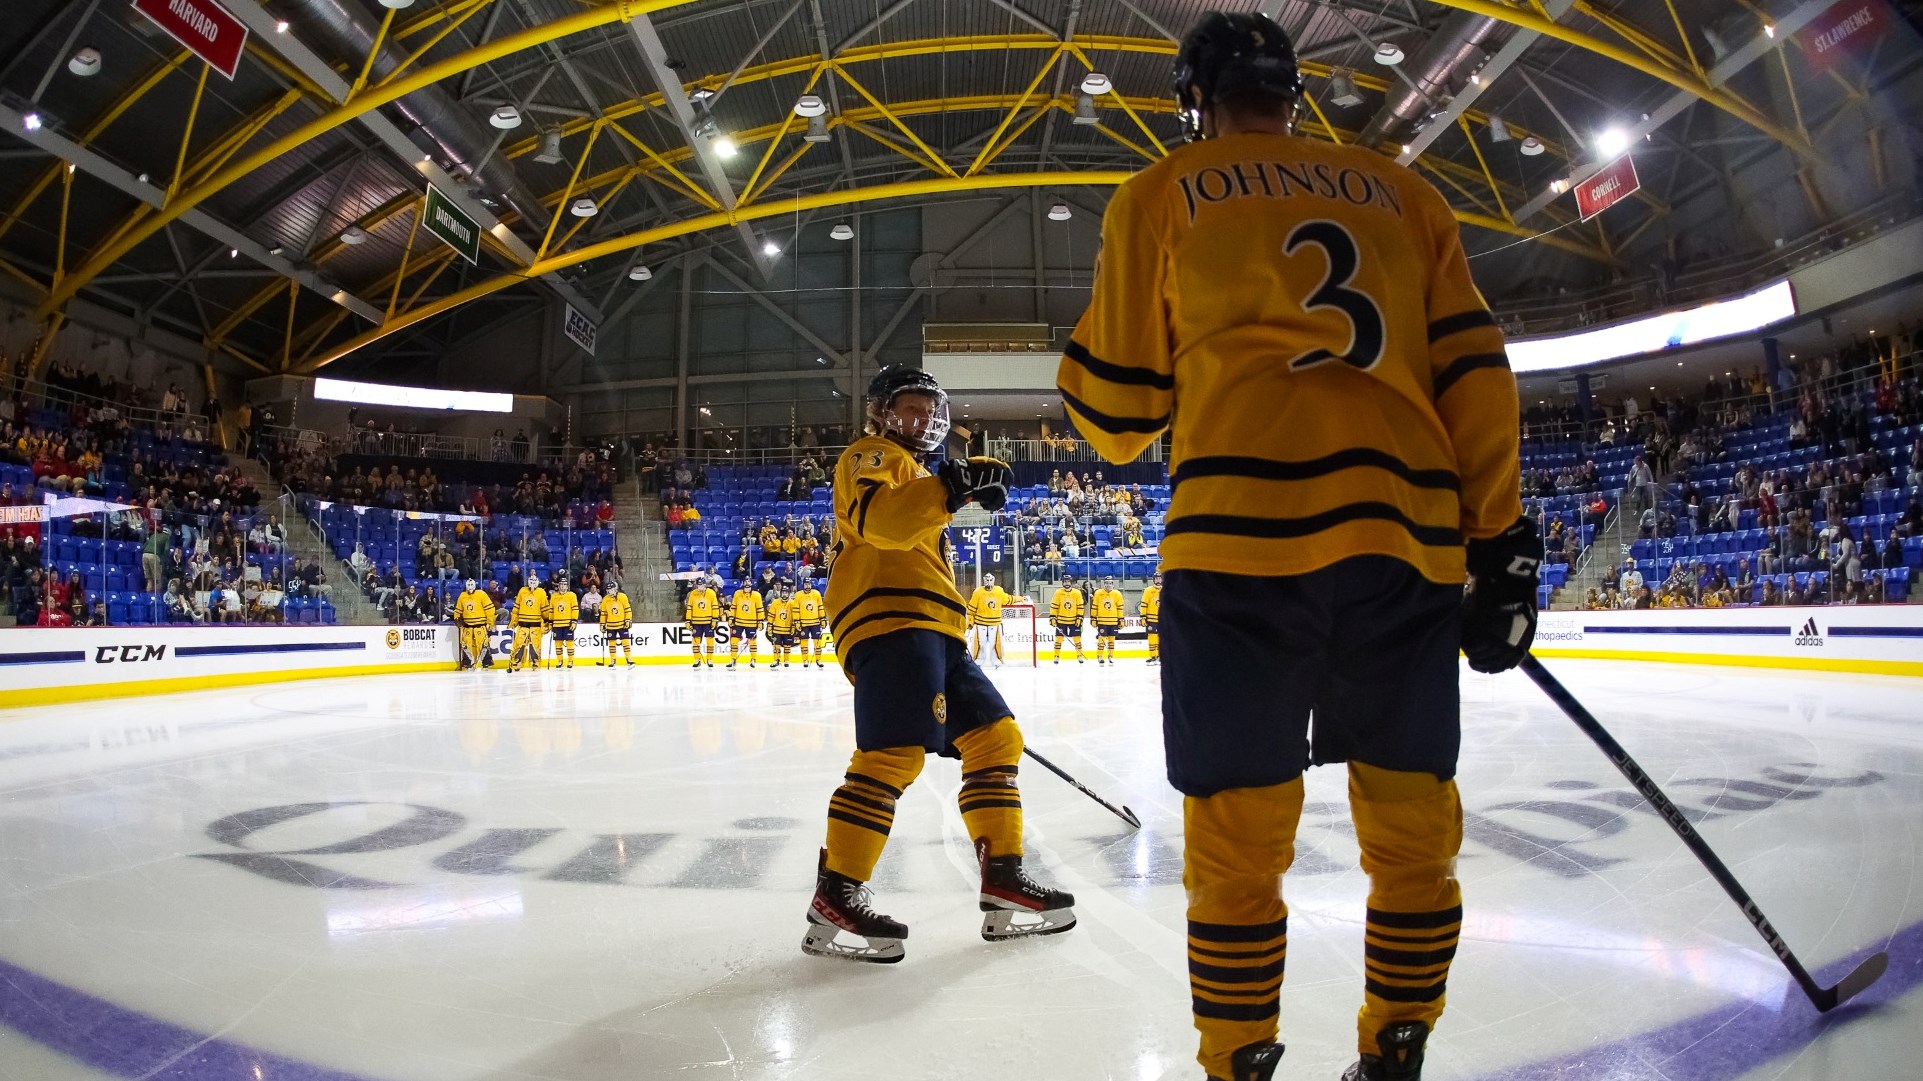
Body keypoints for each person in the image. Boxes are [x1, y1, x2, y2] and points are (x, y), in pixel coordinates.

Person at [1055, 13, 1534, 1081]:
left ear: (1198, 96)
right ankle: (1395, 1050)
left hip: (1238, 558)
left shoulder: (1160, 192)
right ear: (1291, 92)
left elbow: (1118, 413)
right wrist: (1498, 539)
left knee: (1237, 846)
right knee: (1414, 832)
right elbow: (1475, 369)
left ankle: (1240, 1063)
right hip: (1403, 549)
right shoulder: (1404, 193)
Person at [804, 366, 1073, 965]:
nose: (923, 420)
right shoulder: (869, 455)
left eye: (931, 410)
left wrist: (954, 490)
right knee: (892, 754)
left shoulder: (920, 474)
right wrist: (952, 489)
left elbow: (916, 521)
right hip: (891, 619)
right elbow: (886, 523)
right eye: (911, 408)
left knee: (996, 740)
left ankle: (1003, 875)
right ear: (881, 412)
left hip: (936, 628)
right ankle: (837, 891)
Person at [507, 571, 549, 673]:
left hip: (536, 625)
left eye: (535, 580)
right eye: (531, 580)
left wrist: (548, 621)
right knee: (519, 643)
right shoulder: (522, 591)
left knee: (535, 644)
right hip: (523, 624)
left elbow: (545, 608)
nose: (533, 582)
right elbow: (516, 607)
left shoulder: (541, 592)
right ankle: (517, 662)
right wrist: (513, 621)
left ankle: (535, 662)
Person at [966, 573, 1009, 667]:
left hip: (995, 623)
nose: (988, 582)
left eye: (990, 580)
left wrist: (1020, 599)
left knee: (995, 644)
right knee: (980, 643)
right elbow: (971, 609)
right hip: (980, 623)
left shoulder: (999, 591)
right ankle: (978, 661)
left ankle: (997, 661)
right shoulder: (978, 592)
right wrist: (970, 622)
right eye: (987, 580)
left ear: (993, 580)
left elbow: (1007, 599)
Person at [455, 578, 497, 670]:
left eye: (471, 585)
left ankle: (486, 663)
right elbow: (458, 609)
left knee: (483, 644)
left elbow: (489, 609)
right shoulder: (462, 595)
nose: (470, 587)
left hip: (480, 625)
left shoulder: (481, 594)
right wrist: (457, 618)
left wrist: (490, 622)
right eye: (468, 585)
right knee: (466, 645)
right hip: (467, 626)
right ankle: (468, 663)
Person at [1048, 574, 1087, 664]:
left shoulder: (1076, 593)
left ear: (1071, 582)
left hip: (1074, 620)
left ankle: (1079, 655)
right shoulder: (1058, 592)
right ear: (1062, 583)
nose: (1067, 583)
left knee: (1077, 639)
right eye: (1065, 581)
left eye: (1068, 581)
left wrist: (1080, 617)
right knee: (1058, 639)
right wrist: (1053, 617)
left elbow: (1080, 606)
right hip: (1061, 620)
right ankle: (1056, 656)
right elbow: (1054, 606)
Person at [727, 579, 765, 669]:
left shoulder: (756, 595)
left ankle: (753, 659)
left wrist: (760, 621)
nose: (747, 583)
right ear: (742, 584)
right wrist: (731, 618)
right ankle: (733, 659)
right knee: (734, 640)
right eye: (745, 582)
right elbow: (734, 607)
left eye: (749, 582)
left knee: (752, 641)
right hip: (739, 622)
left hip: (752, 622)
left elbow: (760, 609)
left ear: (751, 584)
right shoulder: (737, 593)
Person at [684, 574, 720, 668]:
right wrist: (688, 621)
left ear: (705, 585)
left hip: (708, 622)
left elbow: (715, 607)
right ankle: (697, 659)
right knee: (695, 641)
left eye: (702, 585)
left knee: (710, 641)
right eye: (699, 585)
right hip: (696, 622)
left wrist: (715, 619)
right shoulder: (693, 593)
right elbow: (689, 608)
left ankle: (710, 659)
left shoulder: (711, 593)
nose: (700, 587)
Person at [545, 573, 580, 669]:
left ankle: (570, 661)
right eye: (561, 584)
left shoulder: (572, 595)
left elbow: (575, 609)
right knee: (558, 644)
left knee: (569, 643)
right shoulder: (554, 596)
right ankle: (560, 661)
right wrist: (550, 622)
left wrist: (574, 621)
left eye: (564, 584)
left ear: (567, 586)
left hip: (568, 623)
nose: (562, 586)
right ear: (558, 585)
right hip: (557, 624)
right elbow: (551, 610)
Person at [792, 577, 827, 668]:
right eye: (806, 584)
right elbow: (796, 609)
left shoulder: (816, 594)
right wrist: (796, 621)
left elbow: (820, 607)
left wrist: (822, 619)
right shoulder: (798, 595)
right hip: (803, 623)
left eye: (809, 584)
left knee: (817, 642)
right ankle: (805, 660)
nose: (807, 586)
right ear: (803, 585)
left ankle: (819, 659)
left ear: (811, 584)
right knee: (804, 642)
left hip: (815, 622)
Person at [1091, 575, 1126, 665]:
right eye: (1106, 583)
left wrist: (1121, 619)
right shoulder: (1098, 593)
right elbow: (1094, 606)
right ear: (1104, 584)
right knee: (1101, 640)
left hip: (1113, 621)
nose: (1108, 585)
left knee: (1111, 641)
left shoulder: (1117, 594)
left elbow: (1120, 608)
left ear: (1113, 584)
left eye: (1110, 583)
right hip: (1102, 621)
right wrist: (1093, 618)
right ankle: (1100, 656)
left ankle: (1110, 656)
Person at [600, 581, 635, 667]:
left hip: (622, 624)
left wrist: (628, 620)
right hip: (611, 625)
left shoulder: (622, 597)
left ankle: (628, 658)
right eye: (608, 590)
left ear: (615, 589)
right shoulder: (605, 599)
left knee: (625, 642)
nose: (609, 592)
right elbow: (604, 613)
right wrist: (602, 624)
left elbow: (627, 609)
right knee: (612, 642)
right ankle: (613, 660)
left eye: (611, 590)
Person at [767, 579, 796, 668]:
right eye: (783, 592)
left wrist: (794, 626)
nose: (784, 594)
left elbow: (795, 616)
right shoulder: (775, 602)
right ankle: (776, 660)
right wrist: (769, 626)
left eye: (786, 593)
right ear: (781, 593)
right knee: (776, 646)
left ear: (788, 593)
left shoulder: (792, 603)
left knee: (787, 646)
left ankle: (786, 660)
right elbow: (771, 616)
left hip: (788, 629)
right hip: (777, 629)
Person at [1141, 569, 1164, 665]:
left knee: (1161, 638)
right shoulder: (1148, 591)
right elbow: (1144, 604)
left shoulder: (1165, 590)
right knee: (1152, 637)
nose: (1158, 580)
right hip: (1151, 619)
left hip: (1163, 619)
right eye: (1156, 578)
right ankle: (1153, 656)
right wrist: (1143, 616)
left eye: (1160, 578)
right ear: (1153, 580)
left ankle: (1160, 657)